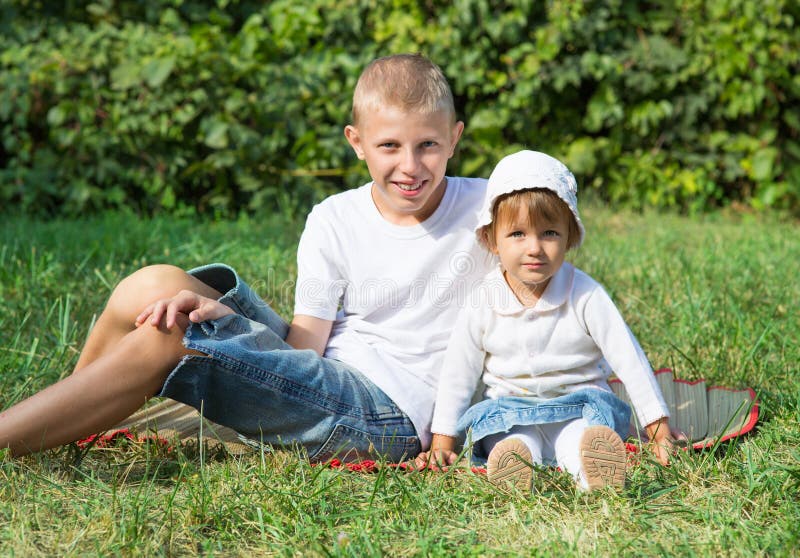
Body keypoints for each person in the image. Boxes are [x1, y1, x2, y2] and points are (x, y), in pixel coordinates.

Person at [0, 53, 491, 461]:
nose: (410, 165)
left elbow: (541, 218)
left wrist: (230, 342)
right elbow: (305, 348)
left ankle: (29, 430)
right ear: (357, 142)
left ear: (455, 137)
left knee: (170, 338)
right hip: (332, 370)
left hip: (392, 415)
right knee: (154, 285)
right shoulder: (334, 217)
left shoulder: (489, 209)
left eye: (428, 145)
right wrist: (232, 326)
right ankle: (74, 420)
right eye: (390, 146)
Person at [415, 150, 674, 491]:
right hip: (511, 411)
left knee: (580, 439)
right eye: (517, 234)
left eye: (549, 233)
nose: (534, 247)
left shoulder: (585, 294)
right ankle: (515, 466)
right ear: (492, 239)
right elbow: (457, 373)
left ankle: (592, 471)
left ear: (570, 236)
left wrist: (658, 431)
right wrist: (442, 443)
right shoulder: (483, 300)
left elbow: (629, 359)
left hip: (578, 405)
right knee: (512, 441)